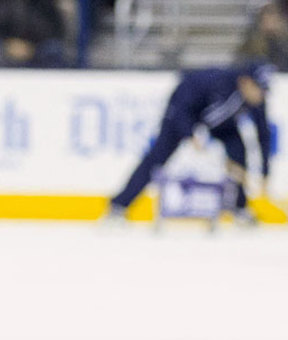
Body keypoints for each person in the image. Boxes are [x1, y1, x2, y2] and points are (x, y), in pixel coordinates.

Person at [107, 63, 275, 221]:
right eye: (259, 88)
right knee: (157, 157)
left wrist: (265, 173)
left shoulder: (257, 100)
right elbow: (181, 106)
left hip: (219, 123)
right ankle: (118, 205)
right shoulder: (217, 82)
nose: (262, 94)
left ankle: (239, 208)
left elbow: (264, 134)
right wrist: (190, 134)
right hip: (184, 112)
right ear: (245, 82)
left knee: (238, 152)